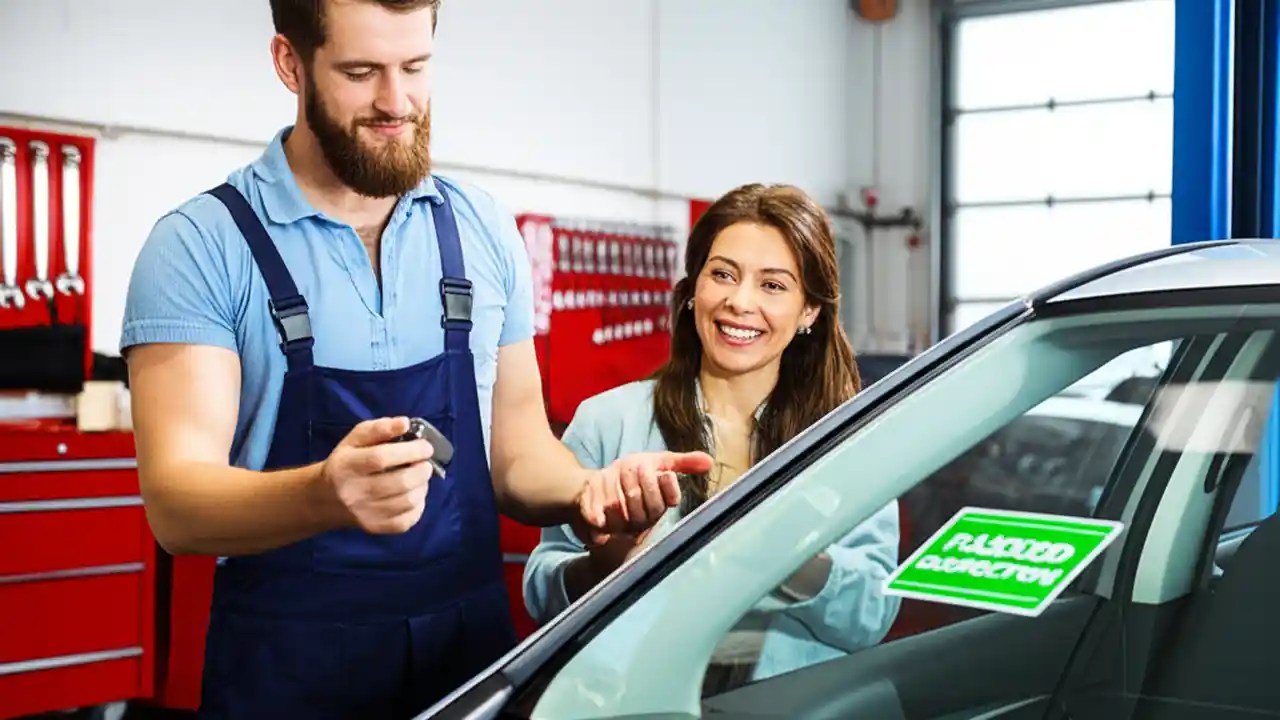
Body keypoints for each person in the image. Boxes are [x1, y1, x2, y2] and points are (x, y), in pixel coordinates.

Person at [119, 1, 710, 717]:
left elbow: (517, 454)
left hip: (466, 664)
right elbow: (178, 504)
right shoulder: (202, 247)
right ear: (289, 63)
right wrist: (324, 495)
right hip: (288, 674)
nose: (396, 103)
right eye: (361, 72)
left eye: (416, 68)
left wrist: (590, 490)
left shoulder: (479, 229)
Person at [522, 183, 902, 692]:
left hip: (783, 702)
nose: (739, 302)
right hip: (636, 700)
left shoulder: (852, 442)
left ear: (810, 310)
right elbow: (541, 592)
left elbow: (872, 616)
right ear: (694, 287)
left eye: (773, 285)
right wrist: (605, 564)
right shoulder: (607, 421)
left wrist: (793, 556)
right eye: (722, 274)